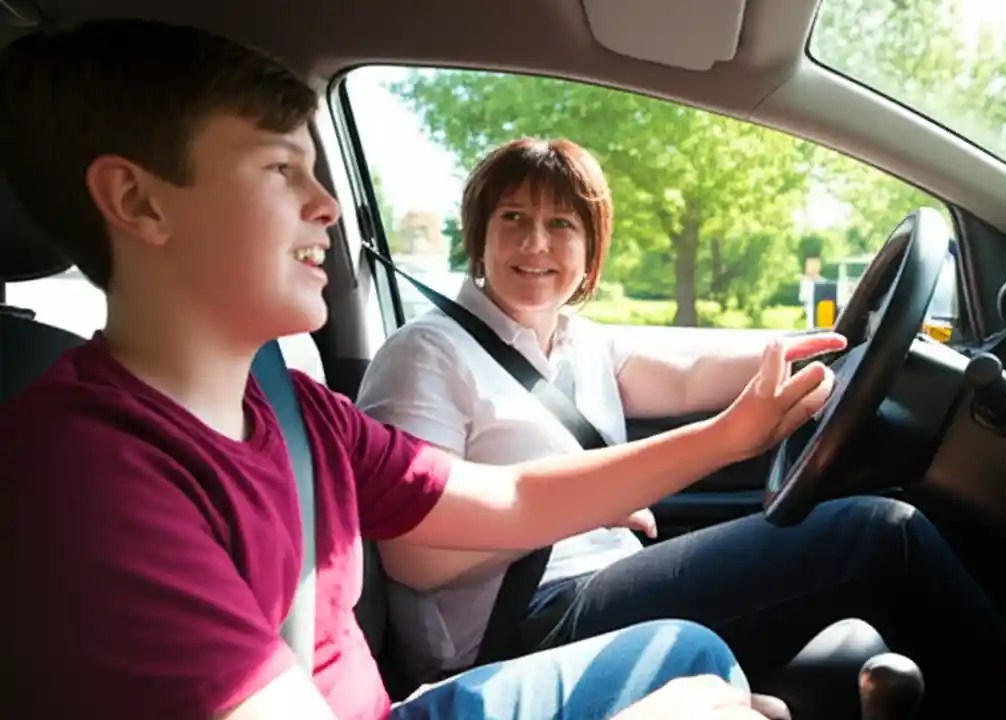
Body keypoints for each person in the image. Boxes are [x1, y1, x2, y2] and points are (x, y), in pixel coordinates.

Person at [0, 19, 846, 720]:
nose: (327, 205)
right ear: (141, 203)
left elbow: (510, 499)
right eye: (279, 169)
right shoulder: (79, 472)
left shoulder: (301, 413)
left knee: (690, 654)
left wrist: (729, 434)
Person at [357, 137, 1006, 716]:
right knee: (880, 536)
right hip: (512, 636)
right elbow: (414, 556)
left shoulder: (579, 342)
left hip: (592, 585)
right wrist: (591, 504)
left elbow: (691, 372)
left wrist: (847, 348)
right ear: (479, 234)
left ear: (590, 253)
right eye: (513, 219)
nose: (535, 243)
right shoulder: (427, 353)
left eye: (561, 224)